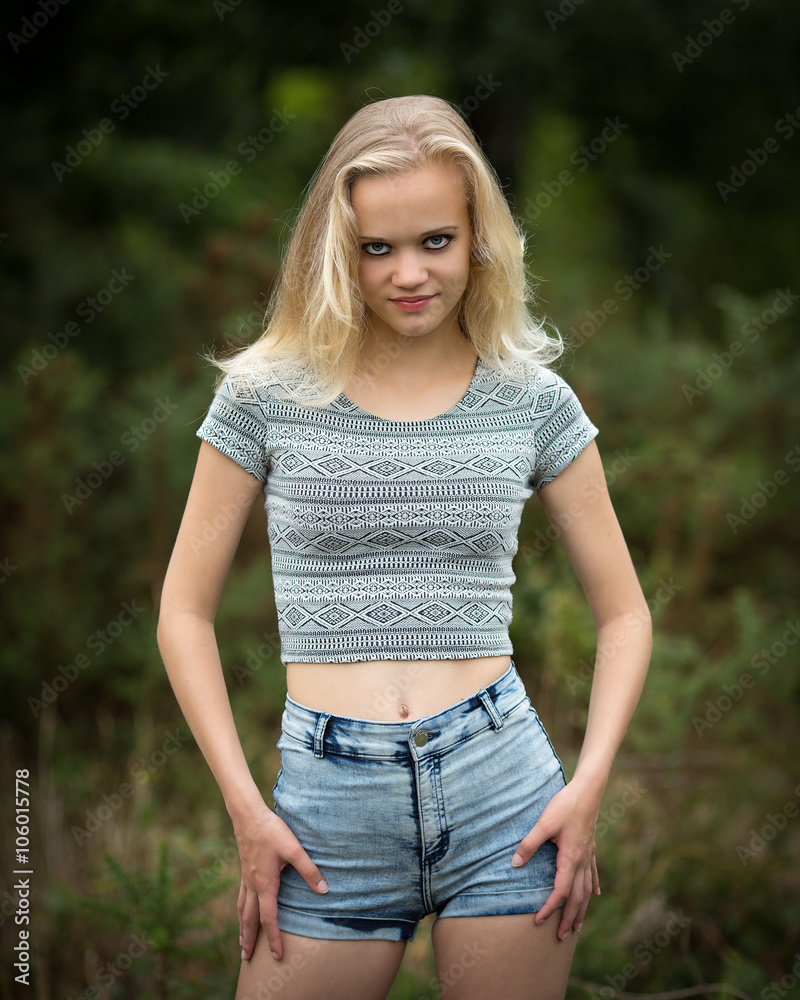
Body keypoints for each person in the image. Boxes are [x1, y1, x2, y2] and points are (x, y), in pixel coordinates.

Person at [157, 94, 652, 1000]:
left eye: (437, 241)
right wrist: (244, 807)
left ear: (478, 239)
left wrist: (587, 789)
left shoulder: (533, 400)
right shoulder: (265, 398)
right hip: (327, 812)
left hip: (506, 794)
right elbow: (183, 614)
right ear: (335, 250)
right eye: (376, 248)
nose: (409, 273)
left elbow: (625, 615)